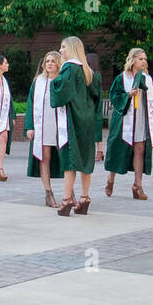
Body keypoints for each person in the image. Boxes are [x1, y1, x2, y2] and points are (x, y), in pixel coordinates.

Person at [50, 37, 102, 214]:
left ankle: (66, 200)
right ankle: (84, 198)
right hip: (87, 120)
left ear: (72, 48)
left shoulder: (70, 68)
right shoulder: (87, 71)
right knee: (85, 159)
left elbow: (62, 90)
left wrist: (54, 79)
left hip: (73, 120)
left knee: (69, 159)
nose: (60, 50)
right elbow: (95, 97)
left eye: (63, 47)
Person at [104, 48, 153, 200]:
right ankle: (111, 179)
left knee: (140, 149)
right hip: (124, 119)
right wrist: (128, 94)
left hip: (141, 117)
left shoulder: (147, 79)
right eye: (140, 59)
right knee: (117, 149)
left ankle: (138, 185)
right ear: (132, 60)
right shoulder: (122, 78)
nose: (144, 62)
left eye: (145, 59)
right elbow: (114, 96)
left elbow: (152, 101)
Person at [26, 51, 66, 207]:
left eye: (53, 61)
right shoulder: (38, 82)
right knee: (45, 157)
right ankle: (48, 194)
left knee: (66, 158)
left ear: (59, 64)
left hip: (60, 125)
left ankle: (69, 193)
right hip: (43, 125)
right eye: (47, 61)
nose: (49, 63)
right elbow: (31, 104)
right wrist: (30, 126)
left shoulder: (63, 81)